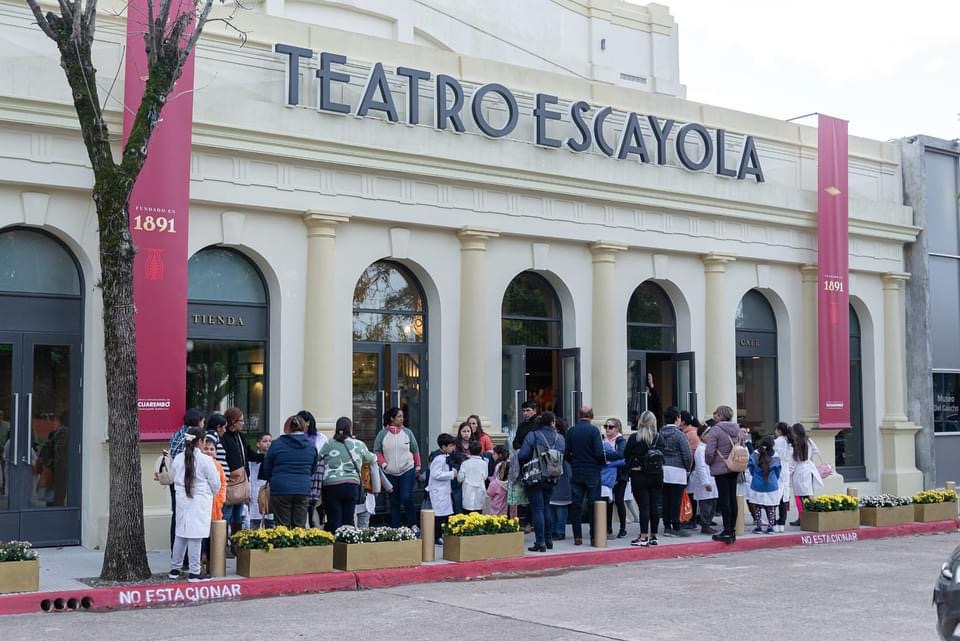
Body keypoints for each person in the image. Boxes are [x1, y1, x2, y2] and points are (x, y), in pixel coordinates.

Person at [168, 427, 220, 582]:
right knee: (195, 537)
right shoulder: (205, 460)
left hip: (182, 500)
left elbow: (173, 477)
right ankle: (194, 572)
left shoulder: (178, 458)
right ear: (201, 441)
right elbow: (215, 483)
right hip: (200, 501)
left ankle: (175, 569)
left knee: (181, 534)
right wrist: (210, 492)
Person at [258, 415, 318, 528]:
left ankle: (283, 545)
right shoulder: (311, 446)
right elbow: (313, 468)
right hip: (302, 488)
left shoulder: (277, 444)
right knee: (299, 527)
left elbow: (267, 467)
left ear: (287, 427)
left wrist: (271, 478)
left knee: (282, 527)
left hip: (280, 488)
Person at [518, 411, 565, 552]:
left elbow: (523, 454)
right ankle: (549, 539)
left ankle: (540, 542)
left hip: (535, 475)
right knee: (546, 506)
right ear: (552, 422)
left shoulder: (533, 435)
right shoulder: (560, 438)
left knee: (537, 508)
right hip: (553, 475)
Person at [320, 417, 376, 532]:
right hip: (351, 485)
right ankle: (347, 544)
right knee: (348, 520)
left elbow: (317, 458)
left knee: (334, 519)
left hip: (331, 485)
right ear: (350, 428)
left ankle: (334, 546)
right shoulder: (358, 444)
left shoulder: (328, 443)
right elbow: (372, 458)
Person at [373, 407, 421, 528]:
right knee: (394, 501)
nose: (402, 418)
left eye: (402, 416)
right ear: (392, 418)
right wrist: (384, 465)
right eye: (399, 416)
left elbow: (415, 450)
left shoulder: (408, 433)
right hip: (390, 472)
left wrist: (418, 466)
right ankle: (396, 527)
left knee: (406, 497)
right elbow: (377, 451)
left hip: (407, 470)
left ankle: (413, 524)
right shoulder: (382, 434)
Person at [221, 407, 263, 541]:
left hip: (242, 481)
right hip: (230, 481)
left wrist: (264, 457)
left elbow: (249, 454)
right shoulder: (224, 437)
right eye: (241, 420)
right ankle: (223, 543)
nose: (243, 423)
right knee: (226, 513)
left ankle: (235, 541)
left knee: (238, 514)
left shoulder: (240, 437)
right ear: (233, 421)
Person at [564, 405, 604, 546]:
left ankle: (578, 537)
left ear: (578, 415)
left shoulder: (571, 431)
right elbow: (599, 452)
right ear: (592, 415)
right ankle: (594, 537)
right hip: (592, 471)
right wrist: (600, 464)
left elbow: (566, 453)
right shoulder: (594, 431)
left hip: (576, 470)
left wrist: (574, 462)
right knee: (593, 504)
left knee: (576, 505)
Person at [704, 405, 743, 544]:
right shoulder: (737, 429)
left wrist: (709, 462)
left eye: (716, 414)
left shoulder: (716, 430)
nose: (715, 416)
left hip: (721, 467)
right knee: (732, 498)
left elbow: (709, 451)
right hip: (734, 466)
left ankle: (726, 530)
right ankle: (732, 530)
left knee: (724, 499)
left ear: (720, 415)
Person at [624, 410, 663, 547]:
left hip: (639, 474)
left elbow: (626, 454)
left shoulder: (635, 438)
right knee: (654, 506)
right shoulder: (659, 437)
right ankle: (653, 535)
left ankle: (643, 536)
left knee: (644, 507)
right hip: (657, 475)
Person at [167, 408, 204, 549]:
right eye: (202, 421)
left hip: (175, 479)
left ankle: (175, 551)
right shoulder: (192, 436)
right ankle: (187, 555)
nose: (203, 424)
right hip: (188, 480)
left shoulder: (176, 434)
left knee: (177, 514)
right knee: (189, 516)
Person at [659, 406, 693, 537]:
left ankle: (667, 525)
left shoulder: (660, 433)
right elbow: (687, 454)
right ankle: (676, 526)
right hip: (678, 471)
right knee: (676, 500)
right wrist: (688, 468)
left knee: (666, 499)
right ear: (677, 418)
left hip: (663, 469)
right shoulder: (680, 435)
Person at [200, 435, 227, 568]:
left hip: (215, 506)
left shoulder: (218, 466)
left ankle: (212, 564)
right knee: (202, 537)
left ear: (216, 452)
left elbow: (223, 484)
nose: (209, 451)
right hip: (201, 506)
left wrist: (220, 499)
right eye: (206, 449)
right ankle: (200, 562)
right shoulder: (199, 464)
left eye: (212, 449)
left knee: (212, 537)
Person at [747, 435, 782, 534]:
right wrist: (774, 478)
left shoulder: (755, 454)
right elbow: (778, 470)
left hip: (757, 484)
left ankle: (759, 527)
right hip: (771, 484)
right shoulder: (775, 455)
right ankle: (770, 527)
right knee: (771, 507)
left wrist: (755, 476)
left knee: (757, 507)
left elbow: (751, 468)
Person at [789, 423, 823, 526]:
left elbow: (793, 462)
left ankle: (801, 517)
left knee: (798, 496)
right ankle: (811, 516)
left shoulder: (795, 444)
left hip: (799, 470)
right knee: (808, 494)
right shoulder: (809, 441)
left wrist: (788, 473)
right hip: (808, 469)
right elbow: (816, 451)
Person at [427, 433, 457, 544]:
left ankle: (443, 535)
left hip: (444, 491)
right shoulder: (439, 458)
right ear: (444, 447)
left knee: (445, 513)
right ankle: (437, 536)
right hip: (438, 491)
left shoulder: (445, 457)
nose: (452, 448)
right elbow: (435, 474)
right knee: (439, 515)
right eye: (450, 446)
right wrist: (451, 474)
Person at [300, 410, 328, 528]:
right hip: (301, 477)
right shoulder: (295, 437)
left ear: (308, 423)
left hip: (318, 480)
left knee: (315, 510)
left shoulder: (320, 438)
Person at [601, 418, 628, 539]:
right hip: (606, 476)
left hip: (620, 475)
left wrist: (606, 459)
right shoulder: (602, 440)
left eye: (610, 427)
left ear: (617, 429)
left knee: (619, 500)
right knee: (607, 501)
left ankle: (623, 528)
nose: (607, 429)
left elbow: (621, 455)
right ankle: (608, 528)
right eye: (606, 426)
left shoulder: (621, 441)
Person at [690, 423, 718, 535]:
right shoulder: (700, 450)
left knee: (713, 503)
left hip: (713, 479)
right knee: (706, 504)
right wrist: (705, 482)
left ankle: (708, 523)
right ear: (702, 436)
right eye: (708, 434)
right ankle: (705, 525)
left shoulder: (709, 448)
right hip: (706, 481)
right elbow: (701, 467)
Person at [547, 419, 572, 541]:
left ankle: (556, 530)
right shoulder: (565, 439)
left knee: (555, 504)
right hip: (562, 470)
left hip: (555, 469)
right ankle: (559, 531)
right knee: (560, 505)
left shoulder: (556, 439)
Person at [680, 411, 701, 529]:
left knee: (690, 495)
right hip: (690, 469)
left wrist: (688, 469)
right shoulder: (689, 433)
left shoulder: (690, 434)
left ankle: (691, 519)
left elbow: (691, 454)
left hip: (691, 470)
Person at [773, 422, 795, 533]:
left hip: (777, 468)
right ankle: (782, 521)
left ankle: (774, 521)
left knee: (775, 494)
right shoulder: (789, 442)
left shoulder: (776, 442)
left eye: (776, 430)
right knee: (784, 496)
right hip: (785, 469)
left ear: (779, 431)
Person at [248, 432, 273, 529]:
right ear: (258, 444)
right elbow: (250, 477)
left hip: (269, 492)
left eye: (270, 441)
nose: (268, 443)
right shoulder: (253, 459)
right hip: (255, 492)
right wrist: (249, 492)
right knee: (255, 521)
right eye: (265, 441)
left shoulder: (273, 459)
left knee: (270, 521)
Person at [458, 440, 488, 513]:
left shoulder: (465, 464)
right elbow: (485, 477)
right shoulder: (484, 463)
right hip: (480, 490)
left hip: (467, 491)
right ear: (481, 451)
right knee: (478, 513)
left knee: (467, 513)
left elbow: (460, 478)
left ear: (469, 451)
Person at [486, 445, 510, 516]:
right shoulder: (510, 463)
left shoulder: (499, 466)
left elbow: (495, 480)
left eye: (494, 453)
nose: (493, 455)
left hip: (498, 494)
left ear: (500, 455)